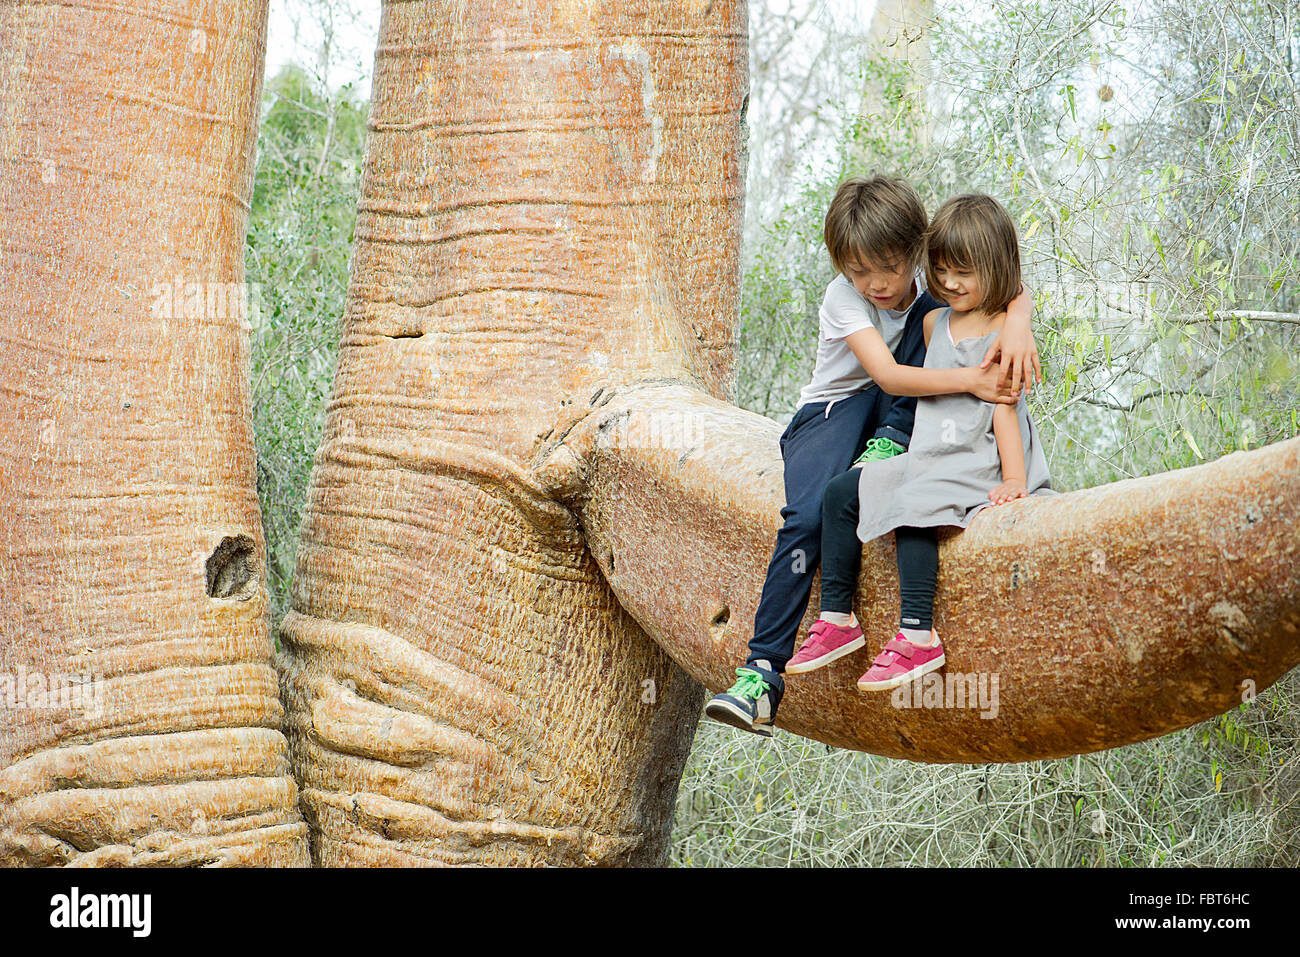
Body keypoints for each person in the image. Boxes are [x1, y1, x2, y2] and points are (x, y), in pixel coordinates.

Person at [704, 178, 1041, 736]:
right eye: (856, 270)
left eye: (885, 268)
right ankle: (761, 674)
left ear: (916, 252)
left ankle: (888, 450)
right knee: (809, 515)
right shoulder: (845, 297)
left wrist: (1020, 316)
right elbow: (885, 376)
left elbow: (996, 276)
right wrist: (976, 380)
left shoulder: (937, 300)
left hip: (903, 418)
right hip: (835, 413)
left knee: (931, 326)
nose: (873, 284)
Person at [795, 192, 1057, 692]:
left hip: (976, 458)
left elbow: (1004, 410)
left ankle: (918, 635)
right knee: (840, 493)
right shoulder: (937, 320)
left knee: (915, 502)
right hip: (931, 454)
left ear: (996, 267)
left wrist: (1015, 478)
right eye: (941, 271)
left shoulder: (1002, 333)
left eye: (964, 273)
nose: (950, 283)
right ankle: (838, 619)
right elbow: (895, 373)